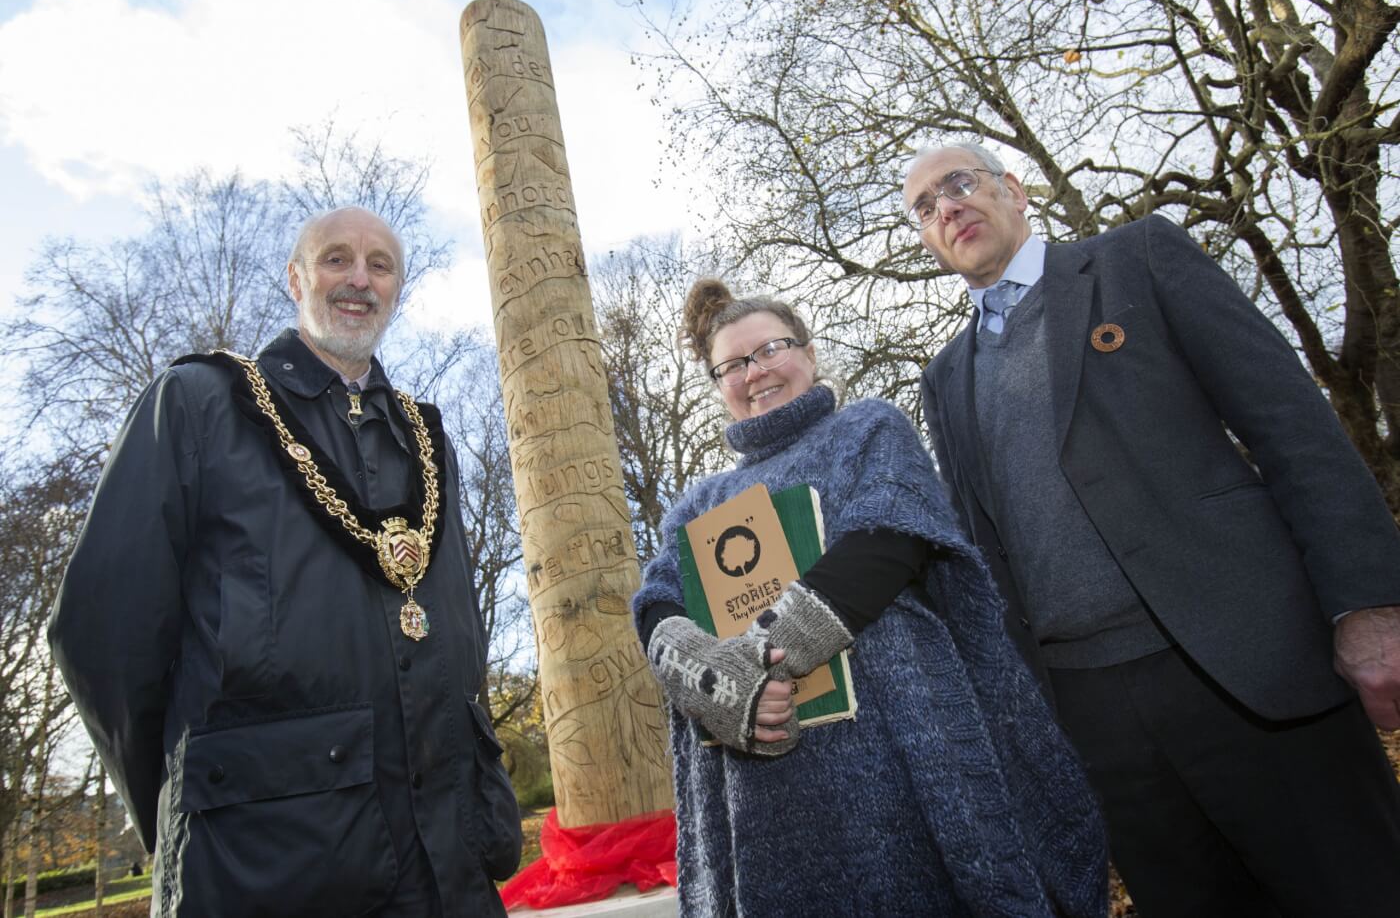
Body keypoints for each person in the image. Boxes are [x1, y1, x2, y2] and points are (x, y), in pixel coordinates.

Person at [907, 140, 1400, 917]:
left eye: (960, 183)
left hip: (1250, 669)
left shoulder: (1136, 259)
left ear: (1015, 191)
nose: (948, 207)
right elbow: (984, 559)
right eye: (925, 207)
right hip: (1099, 728)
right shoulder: (944, 380)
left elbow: (1291, 425)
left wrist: (1367, 603)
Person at [49, 206, 521, 918]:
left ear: (397, 290)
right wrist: (189, 807)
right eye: (336, 259)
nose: (359, 278)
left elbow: (459, 639)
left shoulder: (426, 440)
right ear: (295, 279)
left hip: (451, 875)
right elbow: (100, 631)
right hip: (265, 874)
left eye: (380, 265)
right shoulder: (201, 404)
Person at [631, 279, 1107, 917]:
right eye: (733, 365)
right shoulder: (698, 504)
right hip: (763, 800)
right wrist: (712, 678)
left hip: (899, 754)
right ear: (719, 386)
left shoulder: (869, 429)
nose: (755, 371)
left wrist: (756, 658)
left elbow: (888, 539)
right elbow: (659, 603)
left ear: (808, 353)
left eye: (770, 349)